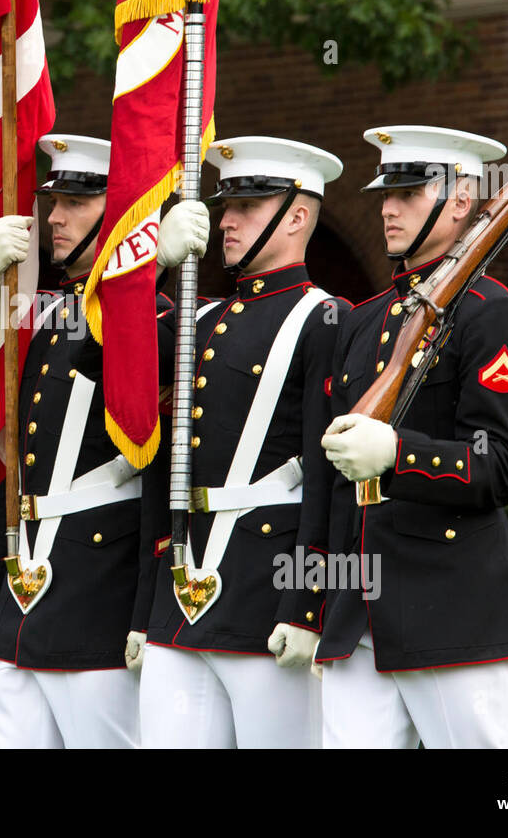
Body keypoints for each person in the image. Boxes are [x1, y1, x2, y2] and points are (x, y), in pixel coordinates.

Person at [0, 134, 161, 748]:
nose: (55, 217)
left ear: (121, 211)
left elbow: (156, 481)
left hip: (99, 596)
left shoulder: (159, 314)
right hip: (19, 602)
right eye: (53, 201)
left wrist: (135, 275)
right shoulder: (30, 312)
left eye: (77, 203)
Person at [316, 125, 508, 749]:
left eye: (409, 191)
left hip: (452, 606)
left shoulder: (491, 312)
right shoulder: (364, 321)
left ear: (461, 201)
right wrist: (313, 603)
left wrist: (397, 455)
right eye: (386, 191)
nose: (387, 206)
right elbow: (331, 482)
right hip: (356, 613)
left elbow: (499, 469)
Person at [137, 137, 348, 748]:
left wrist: (307, 603)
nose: (225, 219)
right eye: (226, 204)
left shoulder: (325, 318)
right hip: (181, 591)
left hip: (268, 593)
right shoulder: (198, 319)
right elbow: (103, 359)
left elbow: (325, 478)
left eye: (248, 205)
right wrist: (149, 266)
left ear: (298, 216)